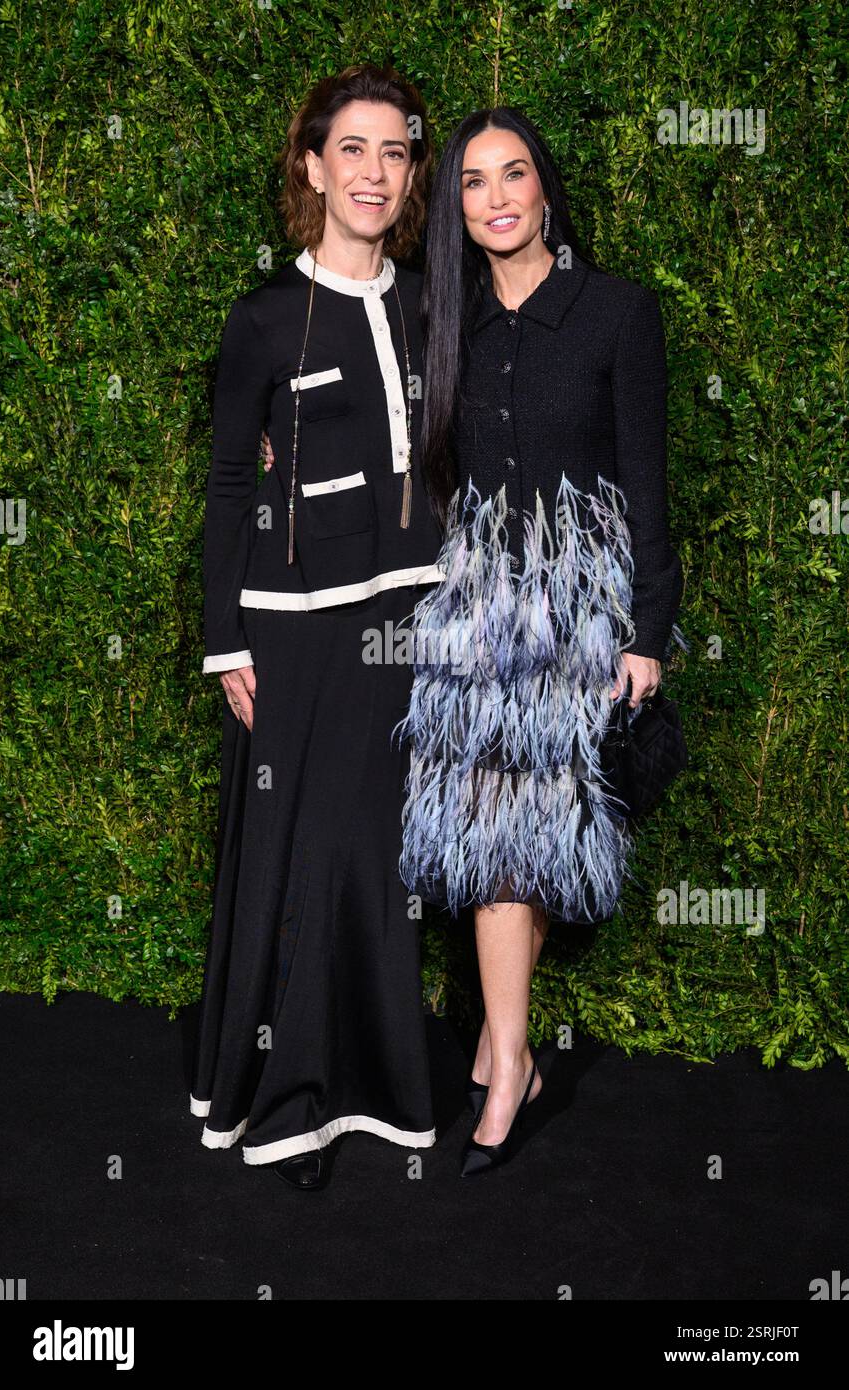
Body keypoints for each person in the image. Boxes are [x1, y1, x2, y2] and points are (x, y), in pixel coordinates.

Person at [395, 107, 686, 1176]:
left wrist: (646, 632)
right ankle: (507, 1047)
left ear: (544, 186)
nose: (496, 197)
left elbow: (648, 487)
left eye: (513, 173)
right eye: (472, 183)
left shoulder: (614, 313)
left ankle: (499, 1042)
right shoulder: (450, 323)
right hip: (475, 615)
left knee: (541, 831)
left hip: (578, 611)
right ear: (457, 210)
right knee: (487, 838)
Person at [190, 64, 443, 1190]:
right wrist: (225, 637)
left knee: (373, 860)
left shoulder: (434, 298)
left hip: (409, 619)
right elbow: (227, 489)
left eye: (392, 152)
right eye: (352, 149)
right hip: (290, 630)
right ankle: (281, 1096)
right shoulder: (260, 318)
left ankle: (373, 1094)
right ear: (310, 166)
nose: (373, 172)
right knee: (293, 857)